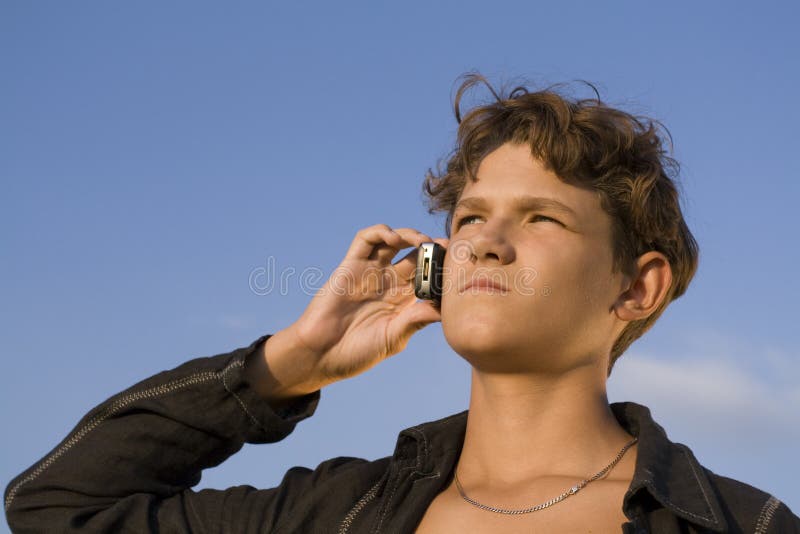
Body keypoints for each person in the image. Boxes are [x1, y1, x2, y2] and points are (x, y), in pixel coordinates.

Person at [5, 73, 799, 534]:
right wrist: (285, 368)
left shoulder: (741, 524)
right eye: (470, 218)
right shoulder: (335, 512)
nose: (487, 242)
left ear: (638, 286)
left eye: (542, 217)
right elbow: (55, 508)